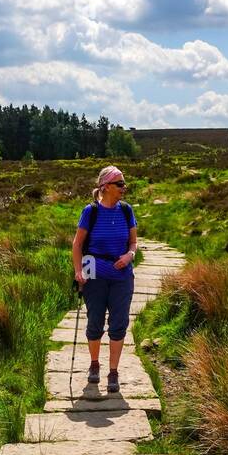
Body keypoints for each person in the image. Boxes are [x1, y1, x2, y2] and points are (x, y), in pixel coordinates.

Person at [72, 165, 137, 394]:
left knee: (119, 324)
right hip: (94, 275)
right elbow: (77, 244)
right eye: (120, 184)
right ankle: (94, 364)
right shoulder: (90, 212)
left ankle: (113, 372)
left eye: (124, 184)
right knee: (95, 322)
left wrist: (129, 256)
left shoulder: (127, 211)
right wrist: (78, 271)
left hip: (122, 277)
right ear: (106, 187)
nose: (123, 188)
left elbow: (133, 243)